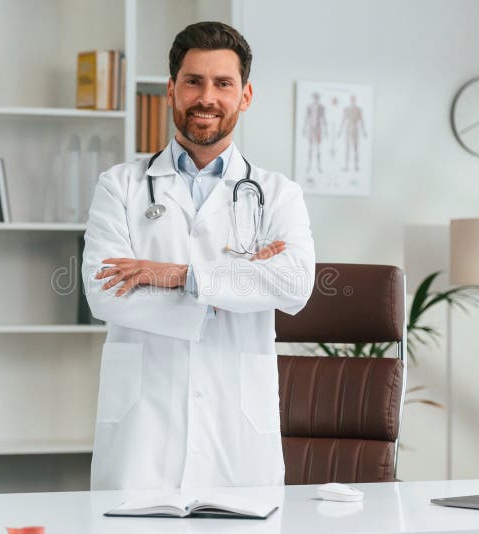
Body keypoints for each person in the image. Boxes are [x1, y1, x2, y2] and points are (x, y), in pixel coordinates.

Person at [82, 21, 315, 491]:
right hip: (141, 437)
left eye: (223, 83)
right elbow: (104, 293)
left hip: (238, 439)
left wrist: (177, 276)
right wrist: (238, 282)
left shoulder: (277, 193)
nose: (207, 97)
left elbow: (293, 285)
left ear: (245, 96)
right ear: (171, 90)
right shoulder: (120, 186)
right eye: (193, 81)